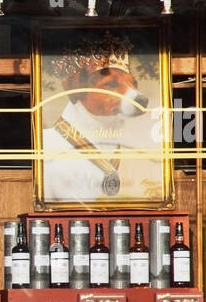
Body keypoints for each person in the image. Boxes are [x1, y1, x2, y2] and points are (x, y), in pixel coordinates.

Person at [40, 31, 165, 204]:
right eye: (112, 84)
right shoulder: (47, 146)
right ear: (77, 90)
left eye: (132, 84)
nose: (135, 94)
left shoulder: (131, 148)